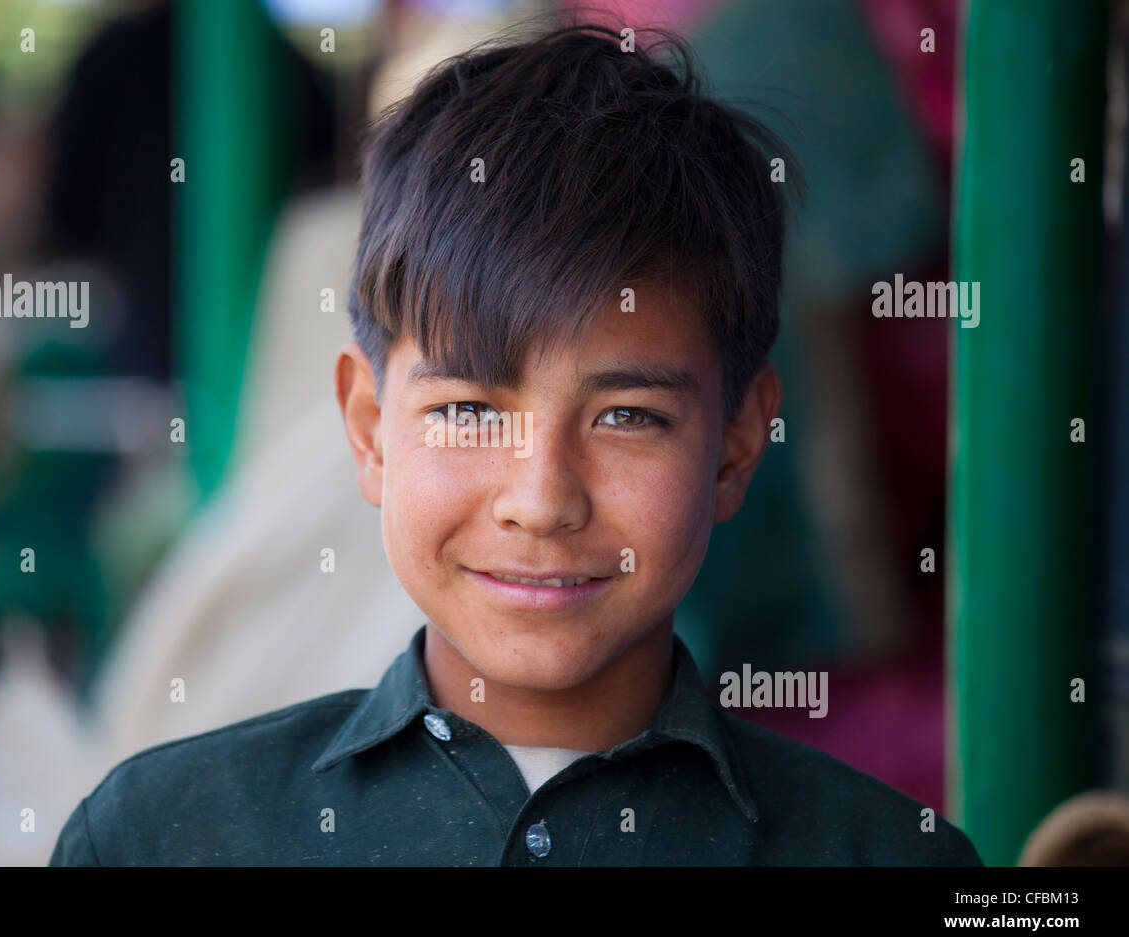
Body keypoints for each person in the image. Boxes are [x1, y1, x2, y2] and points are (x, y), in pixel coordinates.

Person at [49, 20, 982, 866]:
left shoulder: (890, 860)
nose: (540, 498)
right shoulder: (163, 837)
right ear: (370, 429)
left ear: (740, 441)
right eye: (469, 412)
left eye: (628, 417)